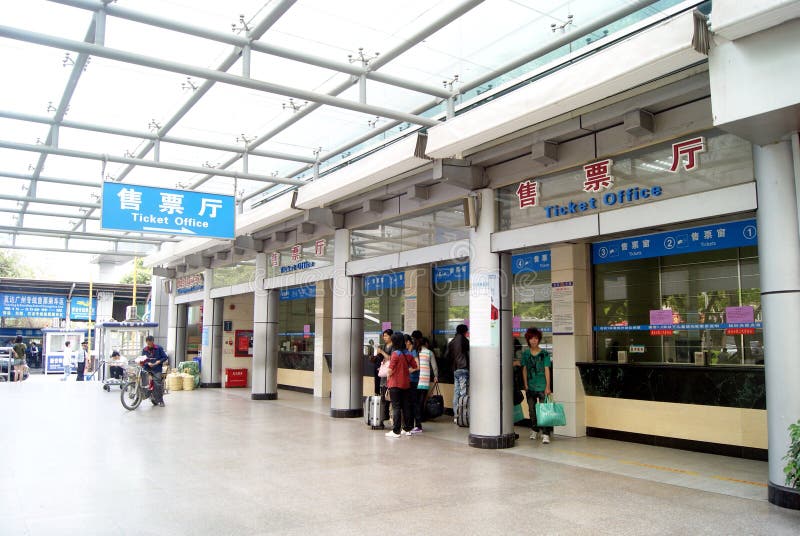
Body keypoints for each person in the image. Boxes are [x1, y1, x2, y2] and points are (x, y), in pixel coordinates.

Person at [521, 327, 553, 444]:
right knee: (532, 410)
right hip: (530, 386)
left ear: (539, 339)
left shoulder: (544, 354)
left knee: (545, 411)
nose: (533, 341)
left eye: (536, 338)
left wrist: (548, 386)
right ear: (528, 340)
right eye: (531, 338)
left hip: (543, 387)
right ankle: (534, 429)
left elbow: (547, 370)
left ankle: (546, 433)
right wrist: (525, 384)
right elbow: (524, 369)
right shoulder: (525, 354)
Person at [385, 332, 417, 438]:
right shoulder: (408, 353)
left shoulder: (395, 353)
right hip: (406, 384)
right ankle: (407, 429)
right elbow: (415, 366)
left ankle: (396, 431)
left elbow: (390, 370)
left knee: (396, 407)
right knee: (406, 407)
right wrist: (405, 371)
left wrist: (389, 376)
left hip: (395, 384)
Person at [413, 336, 438, 433]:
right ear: (426, 344)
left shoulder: (416, 352)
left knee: (415, 402)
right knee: (421, 401)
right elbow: (434, 366)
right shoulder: (429, 352)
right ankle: (420, 420)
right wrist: (436, 376)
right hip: (424, 380)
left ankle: (417, 422)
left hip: (415, 380)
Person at [448, 324, 470, 422]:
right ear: (464, 331)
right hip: (463, 368)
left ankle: (456, 415)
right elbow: (470, 353)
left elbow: (448, 356)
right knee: (463, 393)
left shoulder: (452, 341)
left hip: (455, 369)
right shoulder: (464, 340)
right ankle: (463, 416)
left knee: (456, 392)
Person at [141, 335, 168, 407]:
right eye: (148, 343)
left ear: (153, 342)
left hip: (157, 369)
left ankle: (161, 401)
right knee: (143, 383)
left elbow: (165, 357)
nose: (149, 345)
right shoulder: (144, 350)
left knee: (157, 384)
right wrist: (147, 363)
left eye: (150, 343)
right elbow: (143, 360)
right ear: (146, 342)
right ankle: (140, 398)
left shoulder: (159, 348)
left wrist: (159, 361)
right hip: (147, 368)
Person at [404, 334, 421, 433]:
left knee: (414, 402)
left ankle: (418, 425)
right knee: (410, 403)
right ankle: (410, 425)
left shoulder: (414, 352)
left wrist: (409, 370)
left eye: (404, 342)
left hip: (413, 380)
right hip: (409, 380)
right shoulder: (407, 352)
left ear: (408, 342)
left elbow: (418, 366)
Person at [375, 329, 393, 421]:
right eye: (383, 336)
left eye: (386, 336)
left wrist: (381, 352)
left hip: (390, 374)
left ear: (391, 336)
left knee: (388, 395)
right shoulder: (385, 345)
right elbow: (384, 359)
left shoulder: (393, 347)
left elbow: (390, 358)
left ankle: (388, 415)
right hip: (384, 373)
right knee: (383, 395)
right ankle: (384, 415)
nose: (384, 338)